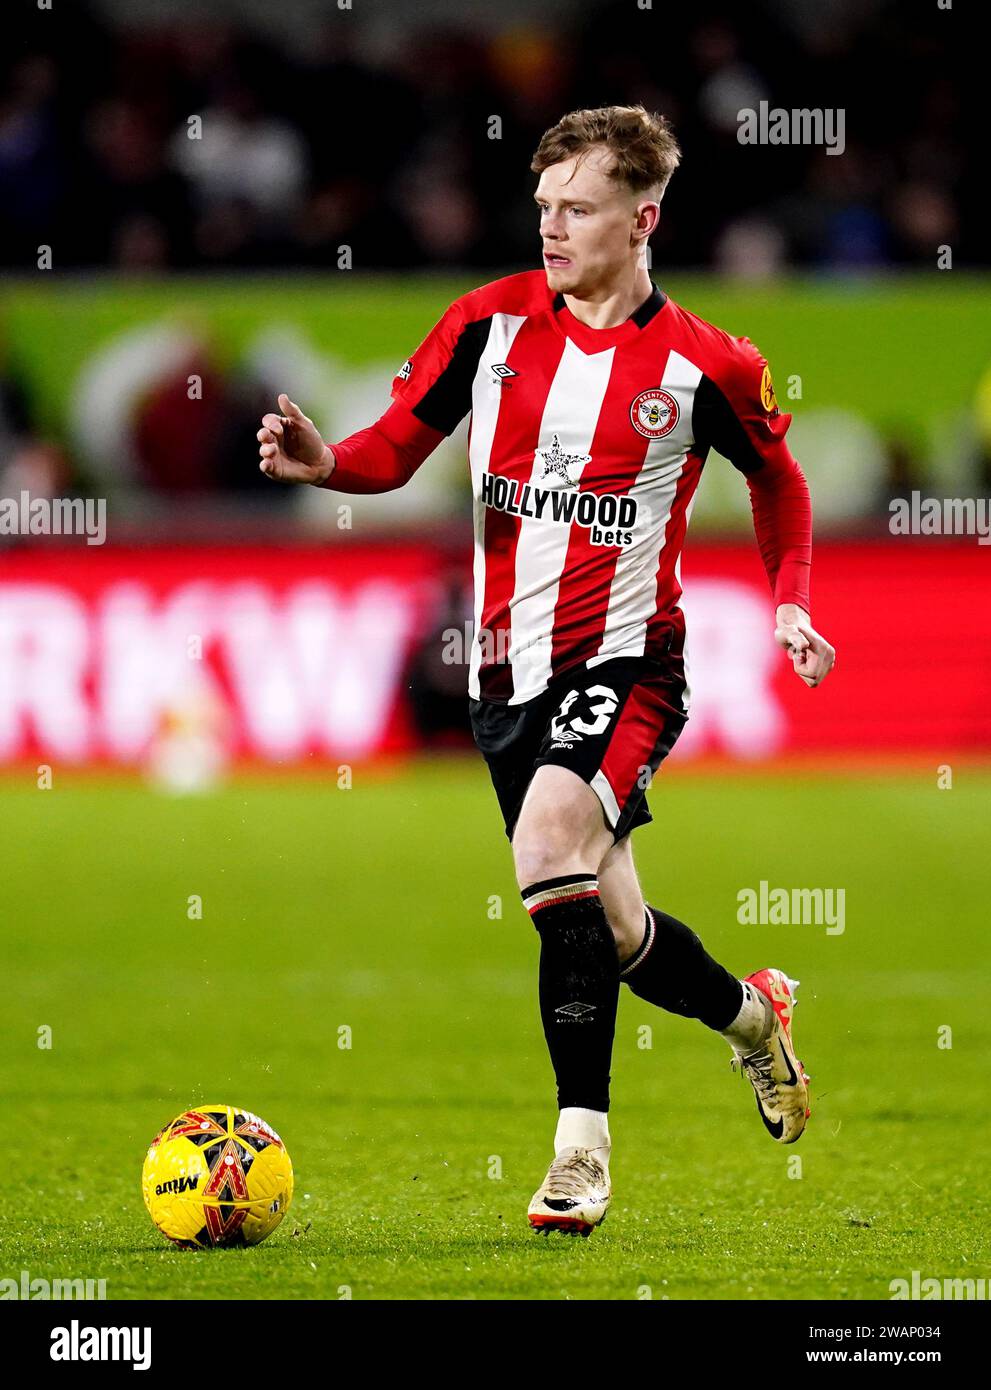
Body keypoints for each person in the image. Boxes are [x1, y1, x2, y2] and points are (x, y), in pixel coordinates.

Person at [256, 104, 836, 1237]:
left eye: (576, 208)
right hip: (504, 678)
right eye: (542, 207)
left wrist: (792, 603)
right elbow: (394, 443)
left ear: (642, 217)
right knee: (610, 930)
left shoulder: (708, 363)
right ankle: (753, 1020)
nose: (551, 228)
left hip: (631, 666)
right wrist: (330, 464)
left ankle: (580, 1155)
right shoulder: (489, 323)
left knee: (545, 847)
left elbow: (780, 482)